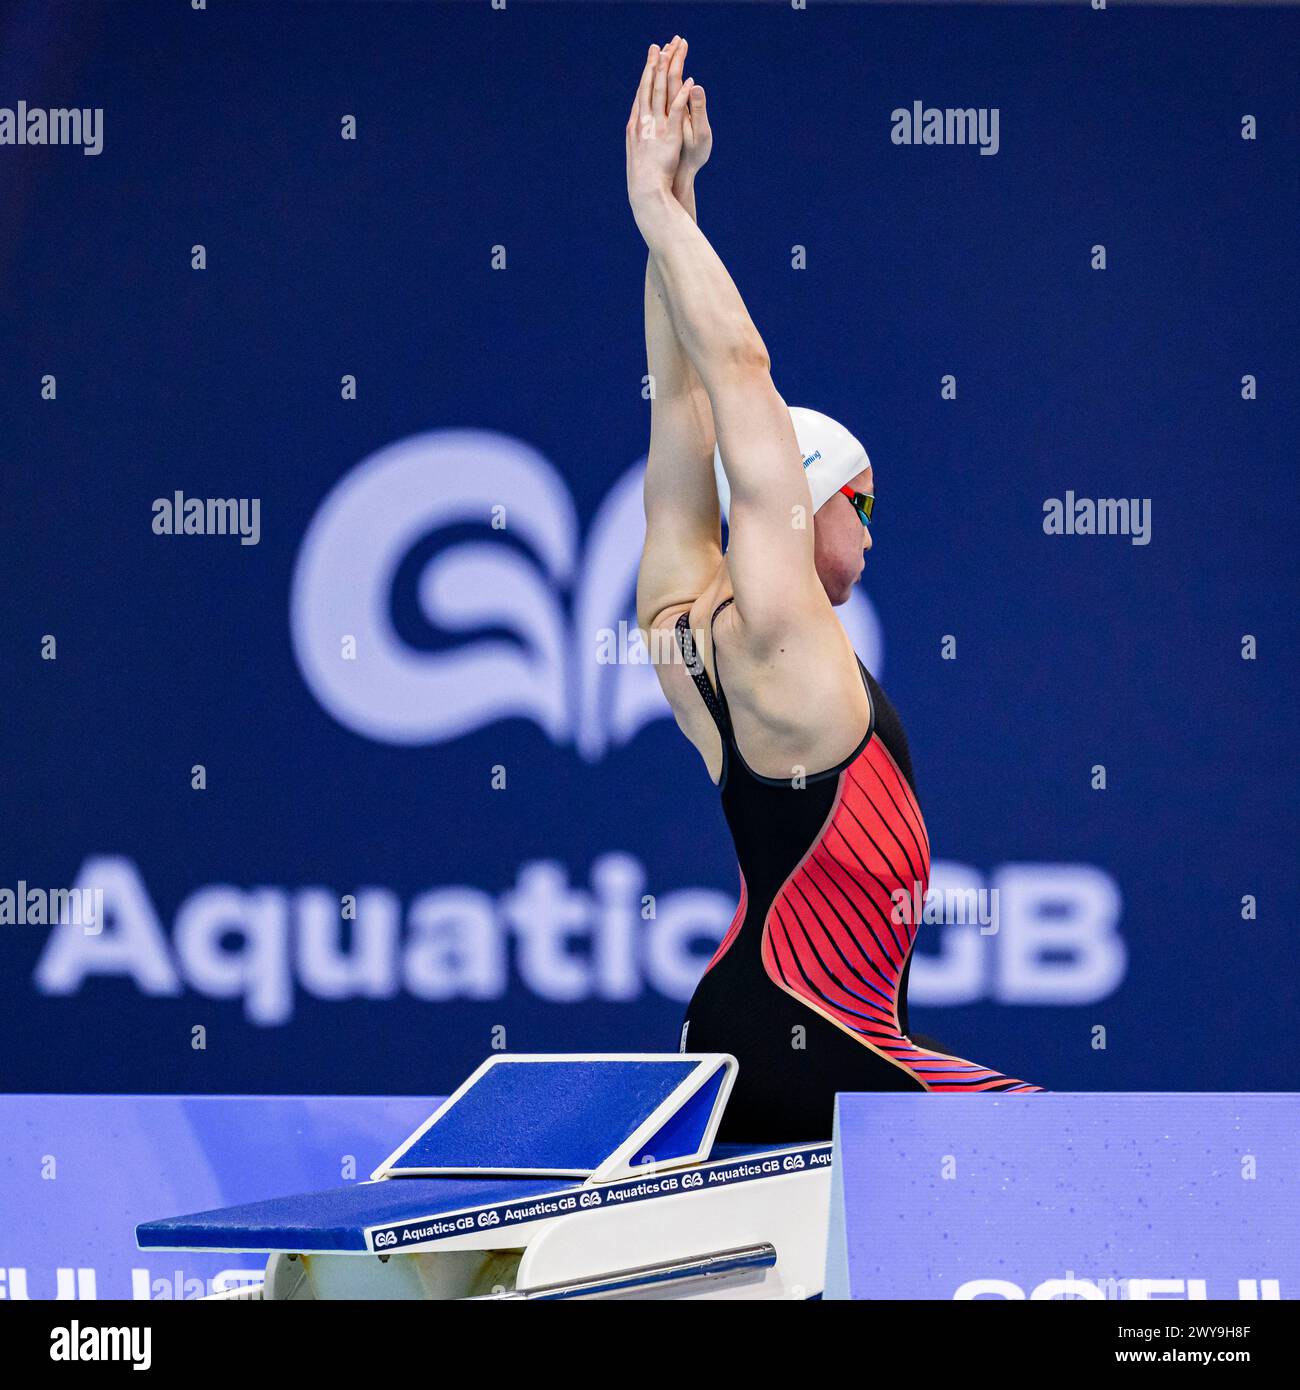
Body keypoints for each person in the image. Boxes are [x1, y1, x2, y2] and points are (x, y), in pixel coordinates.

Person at [630, 38, 1040, 1142]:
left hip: (726, 1027)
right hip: (815, 1036)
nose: (870, 535)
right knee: (1062, 1148)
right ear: (808, 502)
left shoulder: (682, 626)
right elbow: (736, 378)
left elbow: (680, 416)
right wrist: (659, 214)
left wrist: (680, 200)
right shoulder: (781, 636)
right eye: (862, 505)